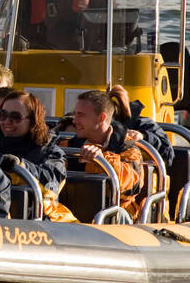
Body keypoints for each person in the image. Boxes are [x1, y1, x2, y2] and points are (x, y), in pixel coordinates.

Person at [0, 91, 76, 222]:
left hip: (36, 219)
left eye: (15, 117)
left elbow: (51, 183)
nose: (6, 121)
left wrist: (19, 166)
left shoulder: (50, 152)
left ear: (33, 120)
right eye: (2, 115)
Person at [63, 89, 150, 221]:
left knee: (119, 213)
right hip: (73, 215)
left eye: (80, 115)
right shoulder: (68, 146)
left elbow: (132, 185)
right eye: (75, 114)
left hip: (115, 218)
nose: (74, 120)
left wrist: (101, 159)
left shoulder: (127, 147)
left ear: (101, 118)